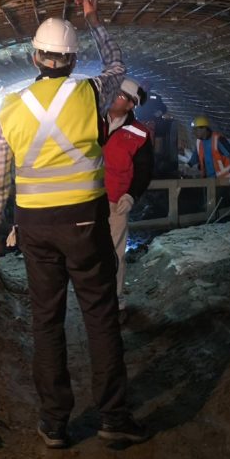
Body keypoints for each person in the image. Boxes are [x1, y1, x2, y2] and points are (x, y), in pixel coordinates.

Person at [0, 0, 147, 449]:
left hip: (34, 227)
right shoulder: (92, 92)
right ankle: (113, 417)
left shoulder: (8, 108)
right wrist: (94, 20)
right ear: (73, 61)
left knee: (46, 320)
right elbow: (117, 65)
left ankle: (54, 423)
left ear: (35, 56)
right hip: (84, 223)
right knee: (100, 316)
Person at [103, 78, 153, 313]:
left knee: (114, 254)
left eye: (120, 95)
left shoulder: (140, 134)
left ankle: (115, 301)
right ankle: (93, 301)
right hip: (85, 200)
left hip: (115, 203)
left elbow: (144, 170)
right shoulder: (91, 119)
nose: (114, 96)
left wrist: (132, 195)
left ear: (131, 104)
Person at [186, 115, 230, 183]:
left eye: (196, 130)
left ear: (204, 129)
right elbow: (196, 155)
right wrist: (188, 165)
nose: (194, 132)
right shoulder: (199, 141)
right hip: (207, 179)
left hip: (222, 180)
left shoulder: (218, 140)